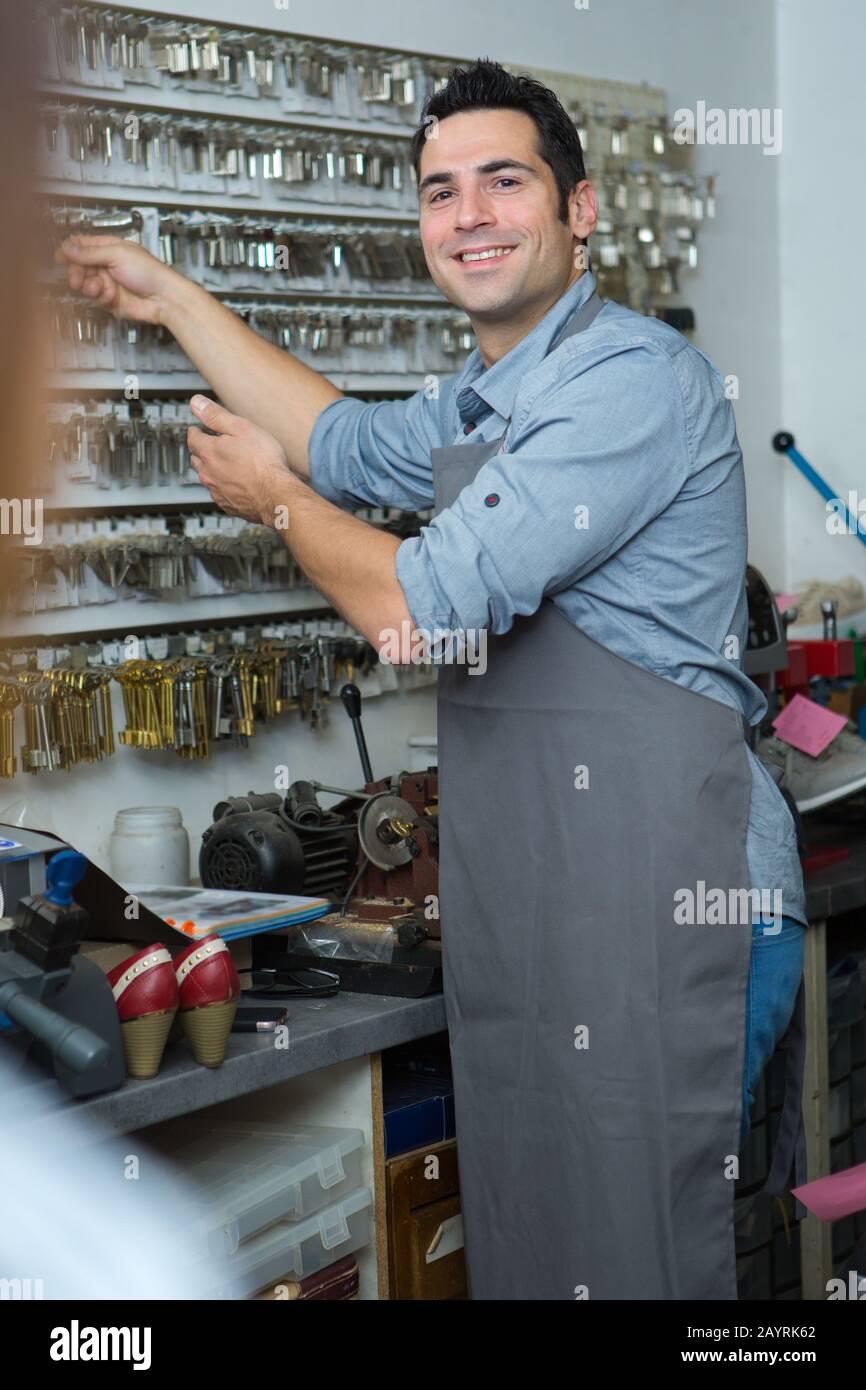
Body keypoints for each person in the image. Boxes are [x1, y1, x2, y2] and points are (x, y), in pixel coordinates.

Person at [59, 59, 807, 1300]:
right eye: (438, 191)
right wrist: (167, 295)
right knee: (533, 1241)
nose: (467, 215)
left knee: (640, 1258)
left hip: (672, 901)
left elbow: (415, 609)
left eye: (502, 182)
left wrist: (276, 506)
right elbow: (340, 439)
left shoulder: (627, 380)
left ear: (580, 210)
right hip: (543, 904)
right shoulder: (483, 397)